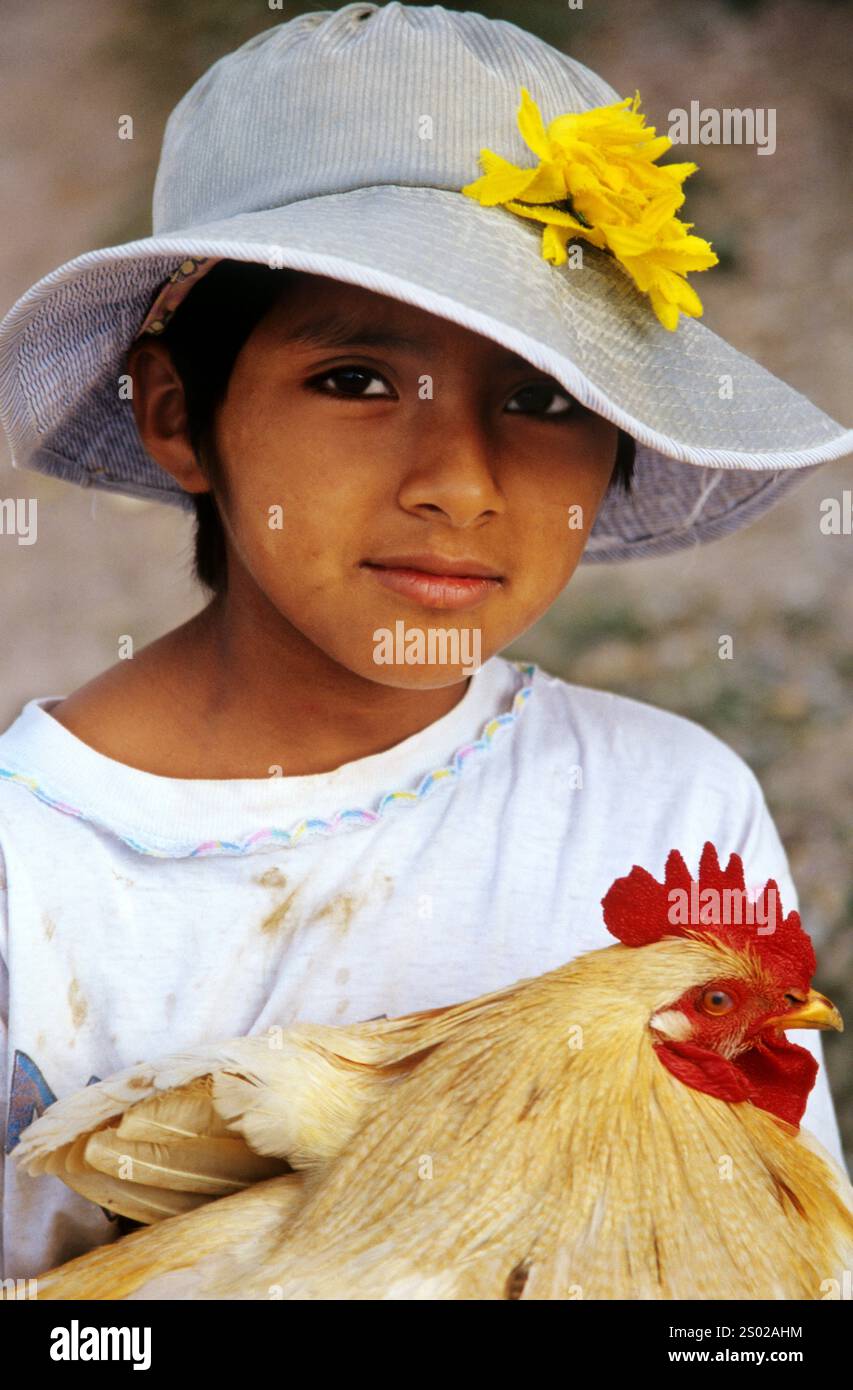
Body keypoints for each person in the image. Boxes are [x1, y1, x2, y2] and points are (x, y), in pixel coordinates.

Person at [0, 2, 850, 1284]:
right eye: (355, 379)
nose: (459, 479)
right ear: (178, 414)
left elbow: (771, 1270)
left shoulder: (663, 799)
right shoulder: (32, 868)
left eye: (540, 397)